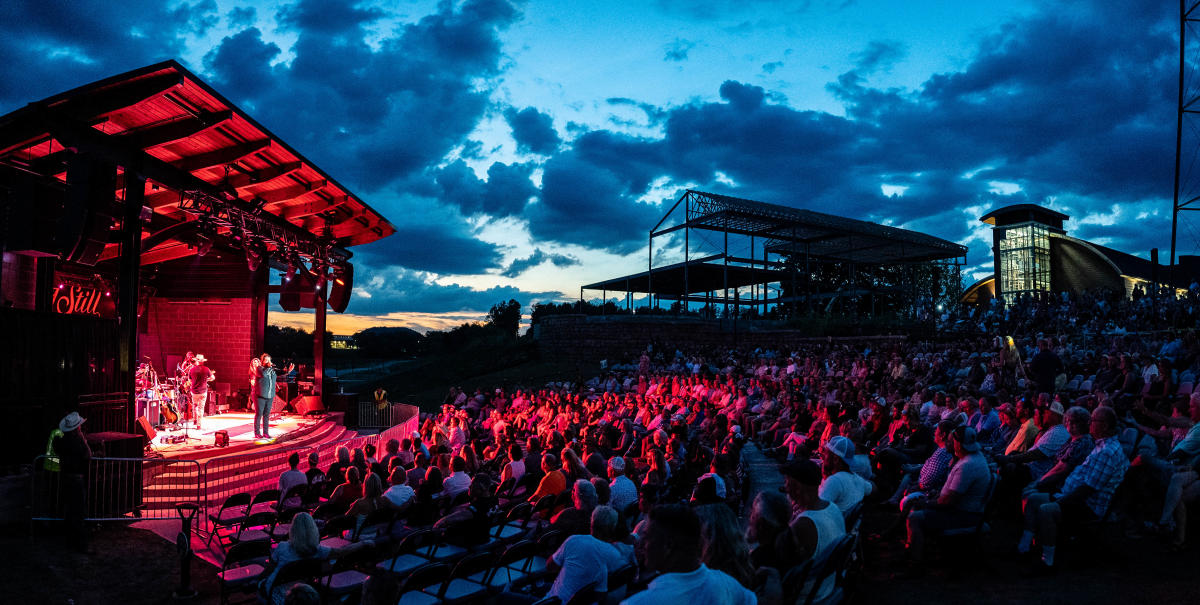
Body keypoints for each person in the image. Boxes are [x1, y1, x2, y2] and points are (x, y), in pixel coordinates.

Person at [1020, 406, 1129, 570]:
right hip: (1073, 497)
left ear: (1105, 426)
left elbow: (1087, 489)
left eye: (1093, 421)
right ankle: (1024, 547)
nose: (1089, 423)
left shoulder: (1107, 451)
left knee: (1046, 510)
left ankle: (1046, 561)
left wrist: (1059, 501)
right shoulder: (1100, 445)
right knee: (1032, 499)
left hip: (1087, 506)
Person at [623, 503, 755, 605]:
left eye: (647, 537)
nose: (642, 544)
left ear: (668, 545)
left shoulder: (641, 602)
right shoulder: (727, 584)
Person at [905, 426, 992, 570]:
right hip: (965, 511)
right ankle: (911, 549)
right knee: (914, 506)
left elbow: (948, 502)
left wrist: (927, 503)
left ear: (959, 443)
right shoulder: (973, 457)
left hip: (964, 515)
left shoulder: (967, 466)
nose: (949, 444)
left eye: (952, 441)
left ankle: (915, 563)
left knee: (915, 517)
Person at [259, 513, 369, 605]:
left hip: (277, 596)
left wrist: (258, 580)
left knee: (260, 580)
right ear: (313, 529)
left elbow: (268, 571)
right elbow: (341, 552)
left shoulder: (282, 547)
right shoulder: (318, 550)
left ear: (293, 529)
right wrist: (363, 543)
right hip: (302, 595)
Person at [781, 459, 846, 601]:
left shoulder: (804, 524)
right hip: (827, 584)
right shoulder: (832, 507)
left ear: (797, 487)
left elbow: (783, 568)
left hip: (810, 593)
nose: (785, 486)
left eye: (787, 482)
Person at [545, 506, 634, 603]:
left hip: (554, 599)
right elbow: (601, 594)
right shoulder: (615, 556)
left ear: (591, 523)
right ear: (612, 528)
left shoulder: (574, 540)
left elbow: (550, 566)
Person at [53, 412, 91, 551]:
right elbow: (88, 455)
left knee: (69, 510)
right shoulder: (78, 442)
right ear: (77, 428)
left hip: (65, 477)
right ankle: (80, 544)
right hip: (77, 479)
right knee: (79, 512)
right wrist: (83, 439)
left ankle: (69, 542)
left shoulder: (61, 442)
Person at [255, 354, 293, 439]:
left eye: (269, 360)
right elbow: (264, 374)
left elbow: (281, 372)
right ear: (262, 361)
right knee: (259, 414)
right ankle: (257, 433)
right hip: (260, 395)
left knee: (266, 415)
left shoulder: (272, 370)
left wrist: (288, 371)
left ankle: (266, 433)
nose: (268, 362)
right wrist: (269, 367)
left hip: (270, 396)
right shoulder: (259, 369)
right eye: (266, 360)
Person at [186, 354, 214, 429]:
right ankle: (199, 425)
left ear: (196, 361)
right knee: (201, 408)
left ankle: (195, 420)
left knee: (195, 406)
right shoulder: (206, 369)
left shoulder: (191, 370)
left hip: (194, 391)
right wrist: (206, 379)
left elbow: (190, 380)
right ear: (202, 361)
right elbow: (212, 378)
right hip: (203, 391)